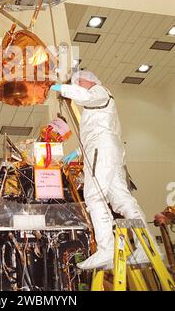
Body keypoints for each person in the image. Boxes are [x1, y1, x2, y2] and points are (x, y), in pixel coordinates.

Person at [51, 70, 150, 269]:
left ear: (90, 80)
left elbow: (84, 97)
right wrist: (78, 153)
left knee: (94, 197)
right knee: (122, 200)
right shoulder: (100, 102)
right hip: (108, 150)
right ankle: (145, 247)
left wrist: (60, 87)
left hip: (102, 150)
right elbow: (98, 131)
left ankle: (107, 249)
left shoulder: (98, 91)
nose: (77, 85)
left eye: (79, 81)